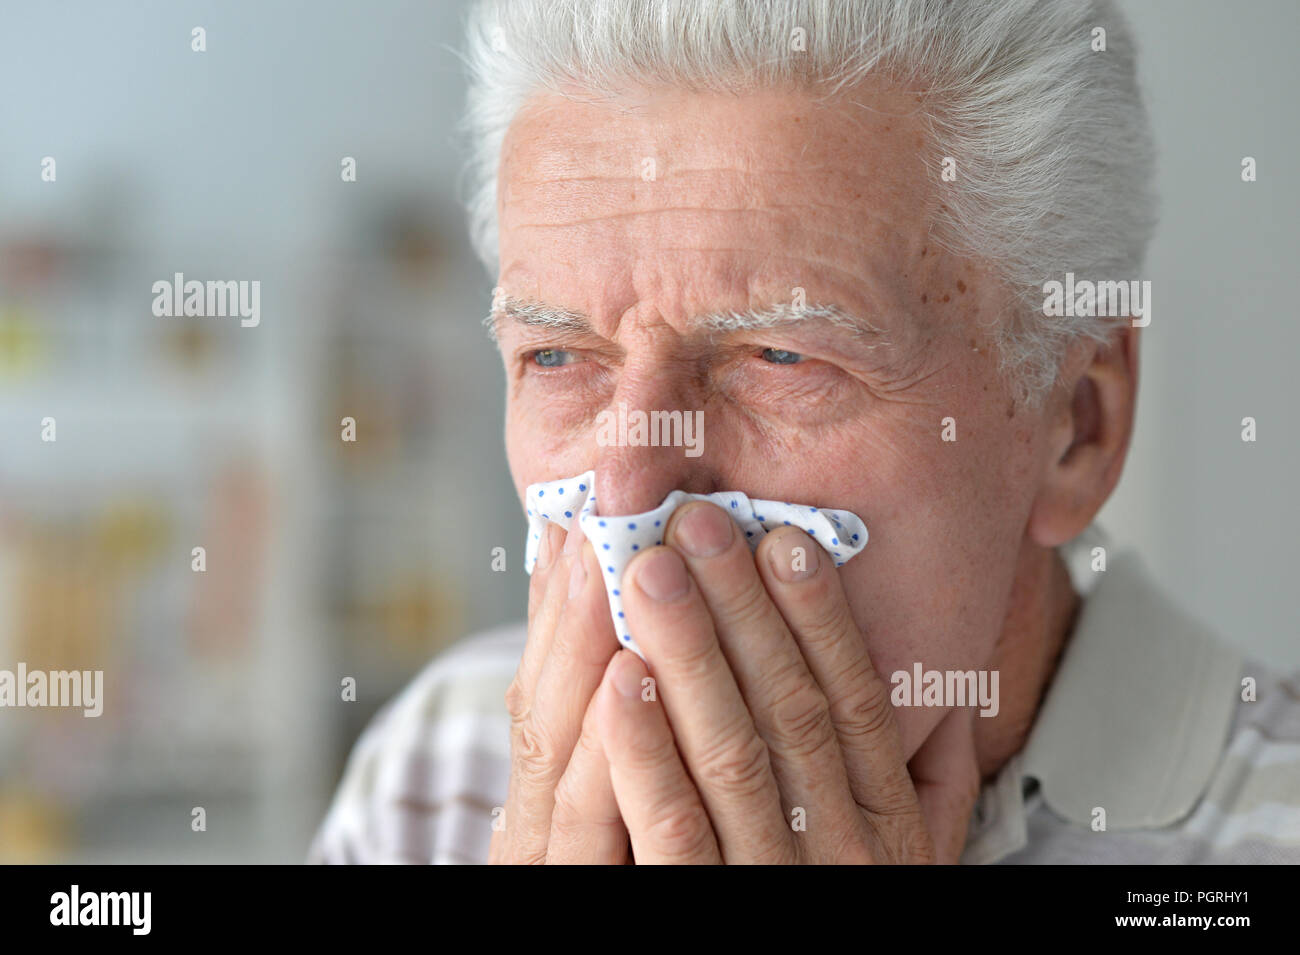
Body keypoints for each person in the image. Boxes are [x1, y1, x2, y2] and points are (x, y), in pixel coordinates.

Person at [309, 0, 1300, 864]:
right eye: (560, 360)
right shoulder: (432, 770)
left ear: (1074, 426)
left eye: (781, 359)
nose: (625, 493)